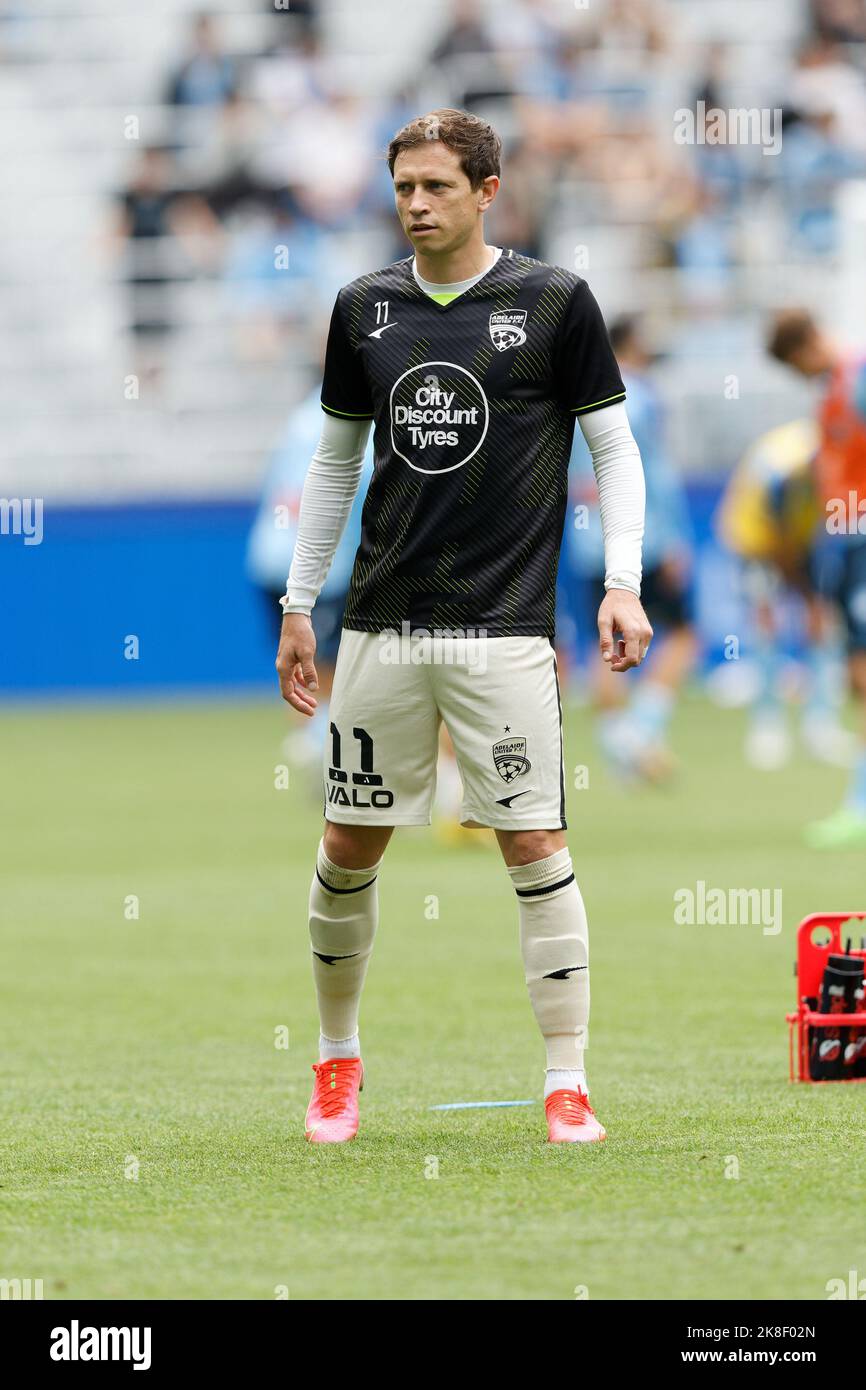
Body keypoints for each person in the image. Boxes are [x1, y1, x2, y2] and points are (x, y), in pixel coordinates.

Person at [276, 108, 650, 1144]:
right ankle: (336, 1063)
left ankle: (565, 1081)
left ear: (488, 190)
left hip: (506, 628)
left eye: (436, 186)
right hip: (382, 627)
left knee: (532, 842)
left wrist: (618, 583)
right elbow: (334, 463)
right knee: (348, 845)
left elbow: (613, 454)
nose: (414, 205)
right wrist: (300, 605)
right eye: (402, 187)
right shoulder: (363, 309)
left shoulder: (553, 302)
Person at [566, 314, 695, 780]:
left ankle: (618, 744)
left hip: (586, 541)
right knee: (684, 633)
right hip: (641, 538)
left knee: (604, 645)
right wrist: (676, 536)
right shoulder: (636, 395)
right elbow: (651, 472)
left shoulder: (572, 392)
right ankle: (641, 730)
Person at [767, 307, 866, 846]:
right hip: (847, 541)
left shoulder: (858, 377)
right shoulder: (836, 387)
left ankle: (860, 805)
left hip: (863, 537)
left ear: (805, 348)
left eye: (794, 366)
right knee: (857, 676)